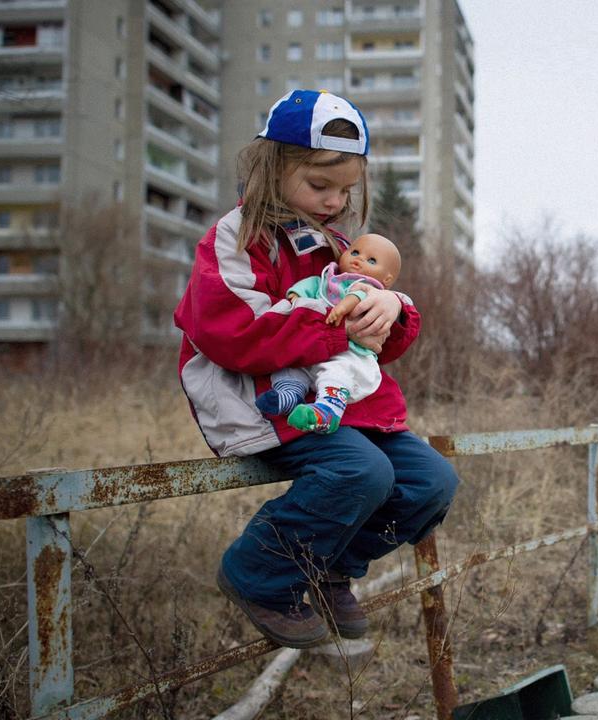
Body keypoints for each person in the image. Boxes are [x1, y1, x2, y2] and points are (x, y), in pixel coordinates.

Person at [173, 90, 459, 649]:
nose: (333, 202)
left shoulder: (338, 247)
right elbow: (234, 336)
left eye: (346, 191)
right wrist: (336, 327)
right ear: (274, 166)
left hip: (341, 405)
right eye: (319, 185)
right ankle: (258, 574)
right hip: (264, 401)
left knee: (431, 481)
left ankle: (328, 568)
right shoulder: (236, 239)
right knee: (363, 473)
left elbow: (372, 351)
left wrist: (392, 310)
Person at [255, 232, 402, 435]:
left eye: (371, 260)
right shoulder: (327, 277)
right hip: (316, 351)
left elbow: (357, 296)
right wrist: (296, 295)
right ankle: (289, 395)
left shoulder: (370, 288)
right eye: (355, 252)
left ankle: (328, 410)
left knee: (336, 373)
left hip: (351, 356)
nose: (359, 259)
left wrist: (343, 307)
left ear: (387, 278)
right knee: (292, 368)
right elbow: (311, 286)